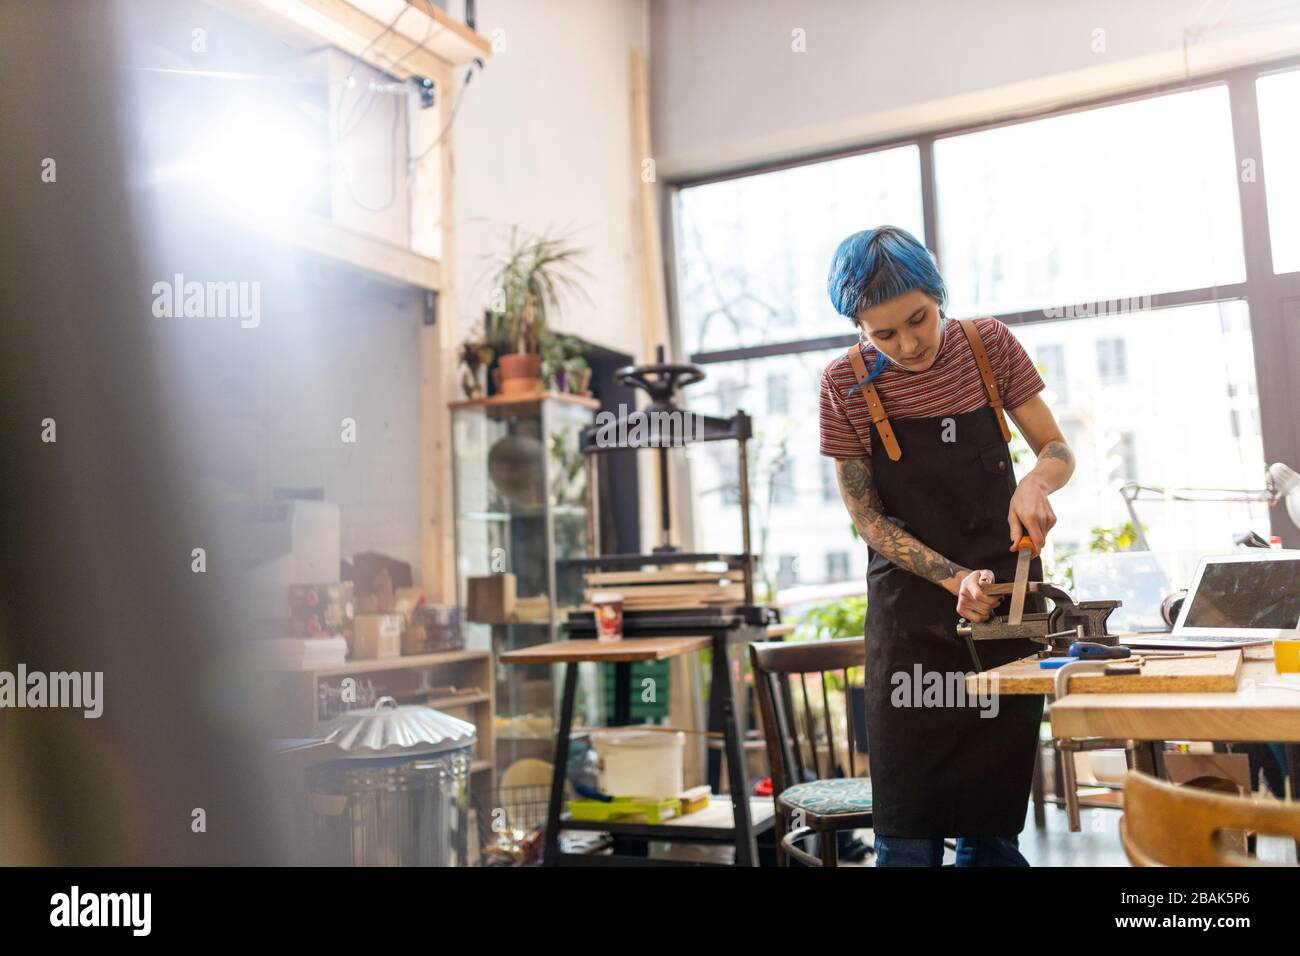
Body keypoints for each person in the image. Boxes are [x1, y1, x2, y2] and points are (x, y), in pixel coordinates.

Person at [818, 226, 1076, 866]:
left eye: (919, 319)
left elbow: (1057, 449)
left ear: (939, 295)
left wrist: (1036, 485)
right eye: (884, 334)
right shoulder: (842, 385)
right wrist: (952, 577)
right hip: (911, 615)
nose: (909, 345)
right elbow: (869, 519)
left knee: (991, 831)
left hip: (1007, 606)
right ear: (858, 329)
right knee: (907, 834)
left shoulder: (988, 346)